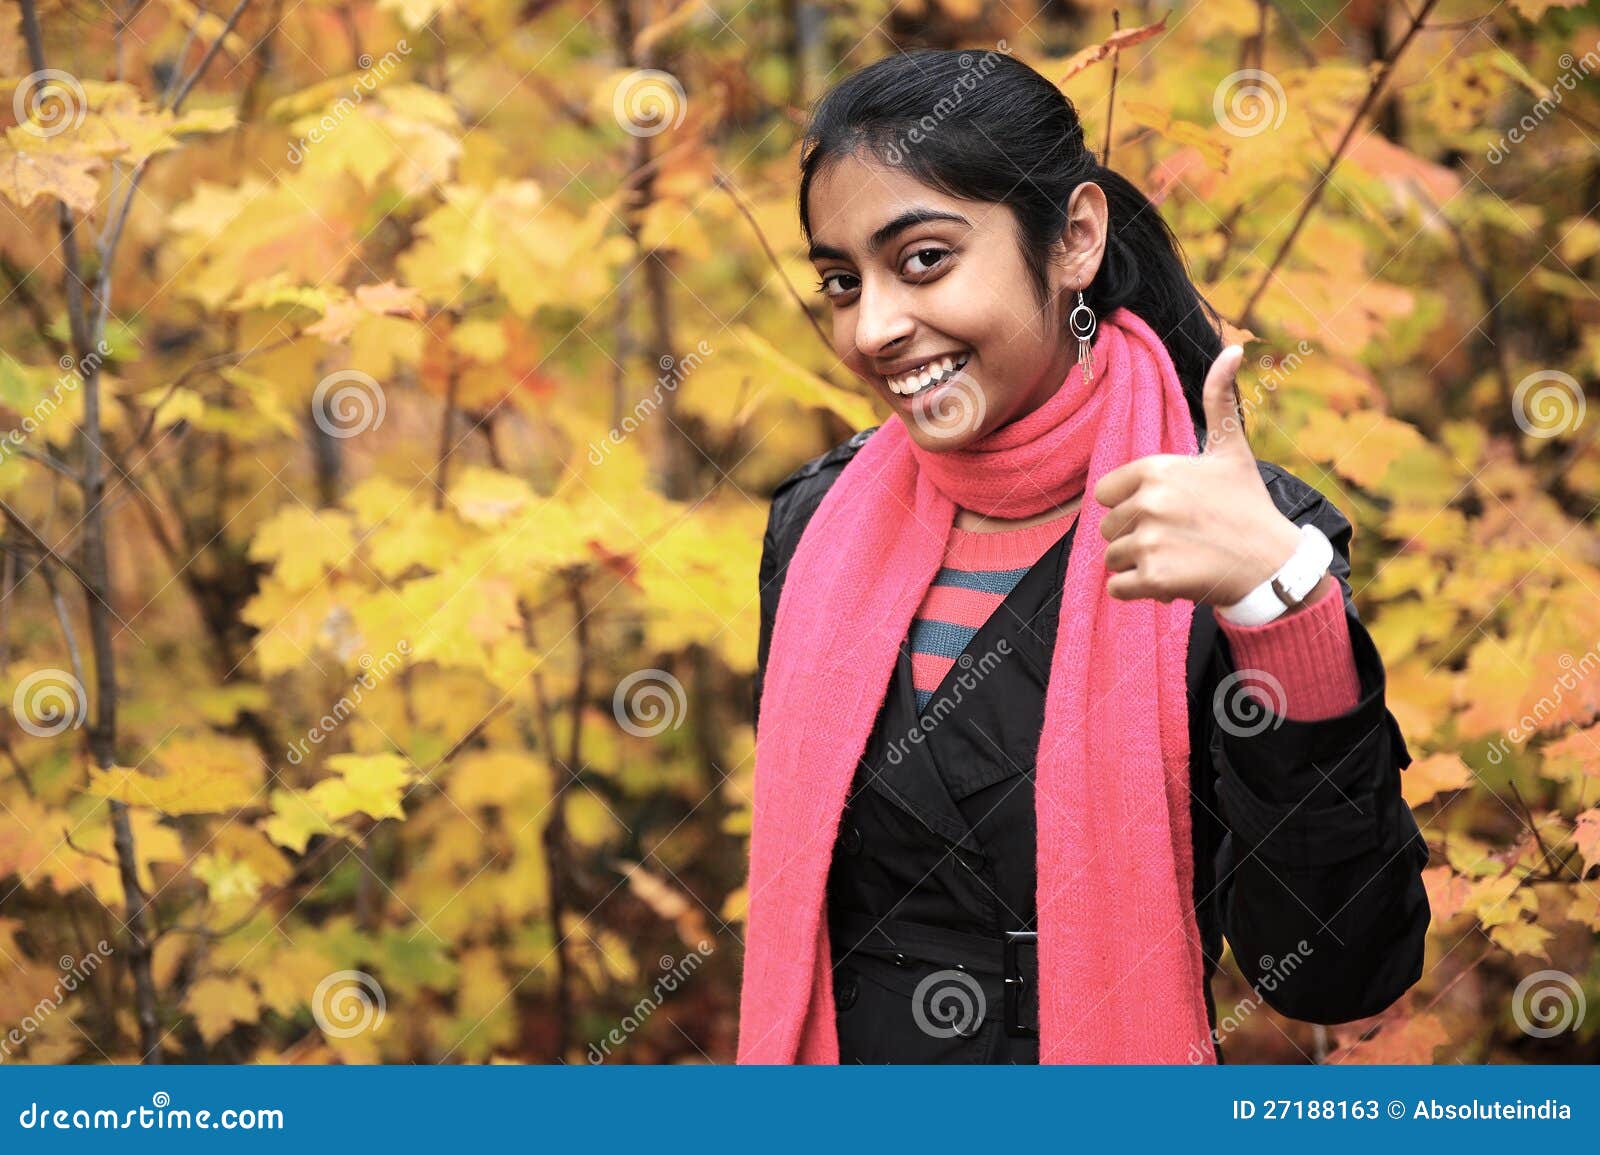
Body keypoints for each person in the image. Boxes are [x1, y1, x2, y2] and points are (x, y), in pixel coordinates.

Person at [734, 49, 1429, 1064]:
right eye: (843, 281)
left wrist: (1281, 611)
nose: (874, 327)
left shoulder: (1234, 538)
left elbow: (1334, 973)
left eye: (923, 259)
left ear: (1073, 238)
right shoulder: (815, 523)